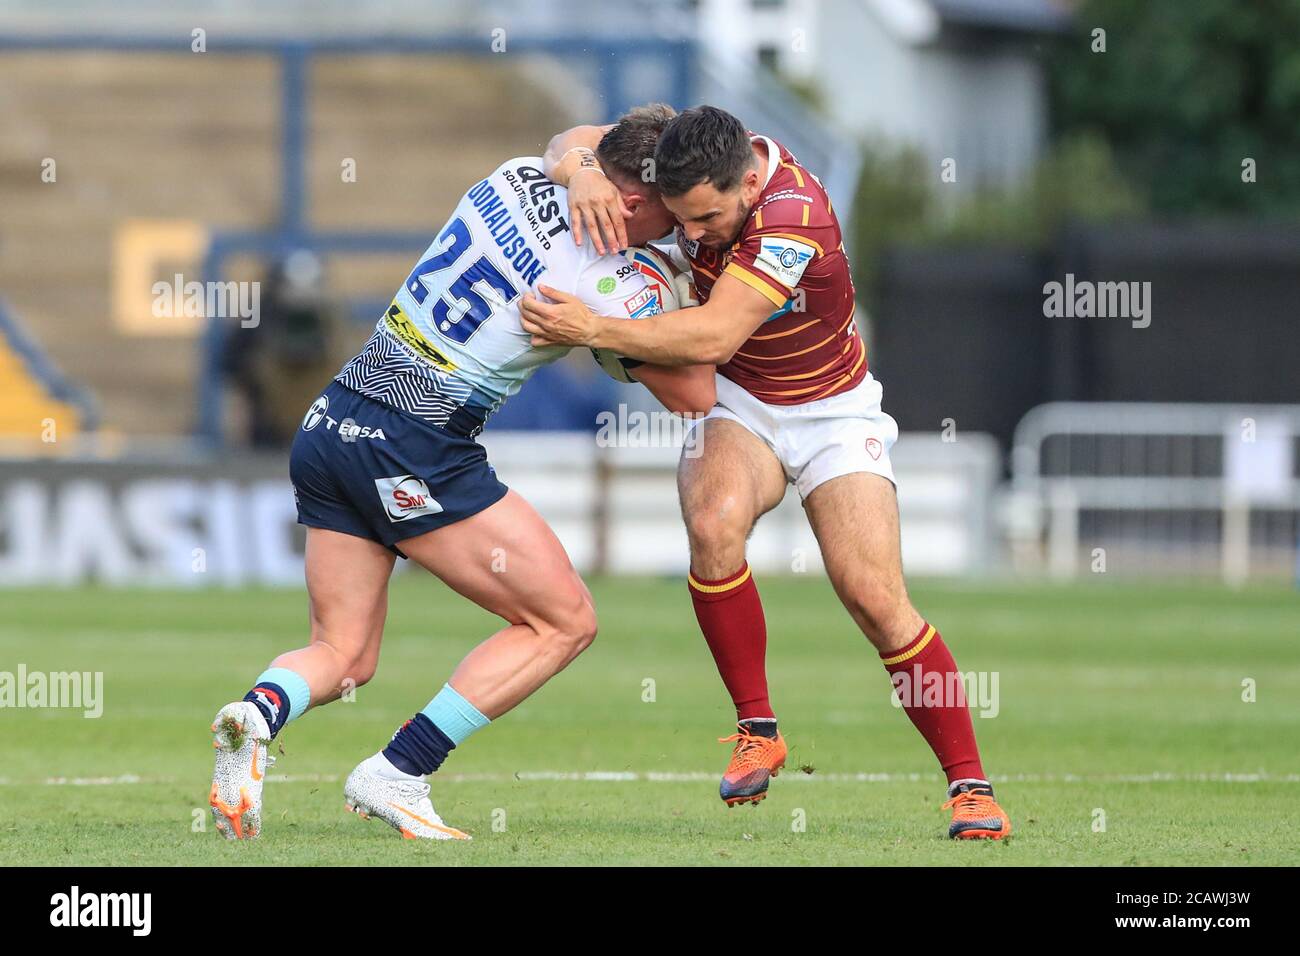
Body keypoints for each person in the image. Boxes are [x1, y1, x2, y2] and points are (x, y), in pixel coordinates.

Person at [208, 106, 714, 841]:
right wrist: (666, 304)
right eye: (670, 219)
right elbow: (696, 394)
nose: (677, 233)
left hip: (333, 421)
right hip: (413, 442)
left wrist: (582, 169)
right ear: (632, 201)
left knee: (344, 654)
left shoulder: (517, 174)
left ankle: (255, 715)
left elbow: (568, 144)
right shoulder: (614, 276)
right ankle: (399, 770)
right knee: (562, 621)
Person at [524, 105, 1011, 839]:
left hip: (833, 412)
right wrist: (585, 171)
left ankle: (971, 787)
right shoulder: (685, 145)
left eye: (707, 219)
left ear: (749, 183)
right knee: (712, 523)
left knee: (875, 598)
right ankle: (758, 727)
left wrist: (591, 329)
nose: (691, 235)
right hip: (742, 404)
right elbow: (568, 141)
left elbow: (715, 333)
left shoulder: (793, 217)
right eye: (681, 220)